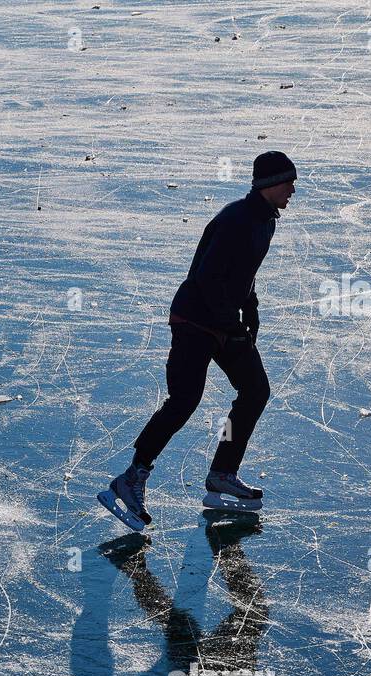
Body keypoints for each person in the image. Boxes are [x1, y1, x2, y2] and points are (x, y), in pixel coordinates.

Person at [98, 151, 297, 529]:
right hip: (194, 321)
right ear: (268, 185)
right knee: (184, 400)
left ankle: (222, 471)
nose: (292, 190)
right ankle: (131, 477)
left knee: (254, 392)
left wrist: (250, 309)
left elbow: (243, 273)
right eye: (288, 182)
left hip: (224, 323)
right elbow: (207, 279)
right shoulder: (235, 219)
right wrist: (231, 325)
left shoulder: (265, 222)